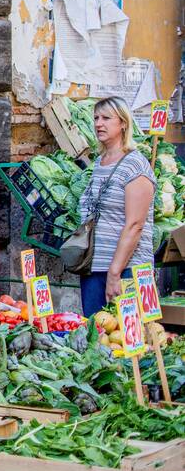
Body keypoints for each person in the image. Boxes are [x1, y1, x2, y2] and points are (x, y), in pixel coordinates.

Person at [76, 96, 156, 317]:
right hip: (94, 267)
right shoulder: (99, 163)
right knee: (97, 341)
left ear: (122, 123)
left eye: (106, 118)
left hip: (127, 271)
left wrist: (114, 273)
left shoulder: (134, 164)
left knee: (130, 344)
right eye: (96, 118)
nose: (98, 123)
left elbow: (135, 225)